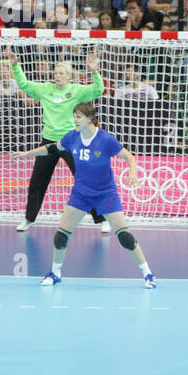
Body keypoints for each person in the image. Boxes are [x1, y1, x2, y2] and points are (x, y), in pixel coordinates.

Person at [11, 103, 154, 289]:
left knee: (124, 236)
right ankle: (55, 273)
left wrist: (132, 173)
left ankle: (148, 274)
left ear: (90, 119)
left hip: (105, 194)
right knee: (61, 236)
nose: (75, 120)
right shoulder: (72, 136)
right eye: (74, 116)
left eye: (79, 117)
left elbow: (129, 157)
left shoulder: (106, 139)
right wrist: (27, 154)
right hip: (81, 194)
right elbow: (52, 148)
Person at [8, 47, 110, 232]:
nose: (57, 75)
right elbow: (24, 85)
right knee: (37, 182)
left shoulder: (77, 90)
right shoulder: (45, 89)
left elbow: (98, 90)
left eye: (61, 73)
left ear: (68, 76)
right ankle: (29, 219)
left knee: (86, 180)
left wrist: (94, 71)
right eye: (55, 72)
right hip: (49, 141)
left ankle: (102, 219)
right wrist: (16, 66)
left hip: (72, 142)